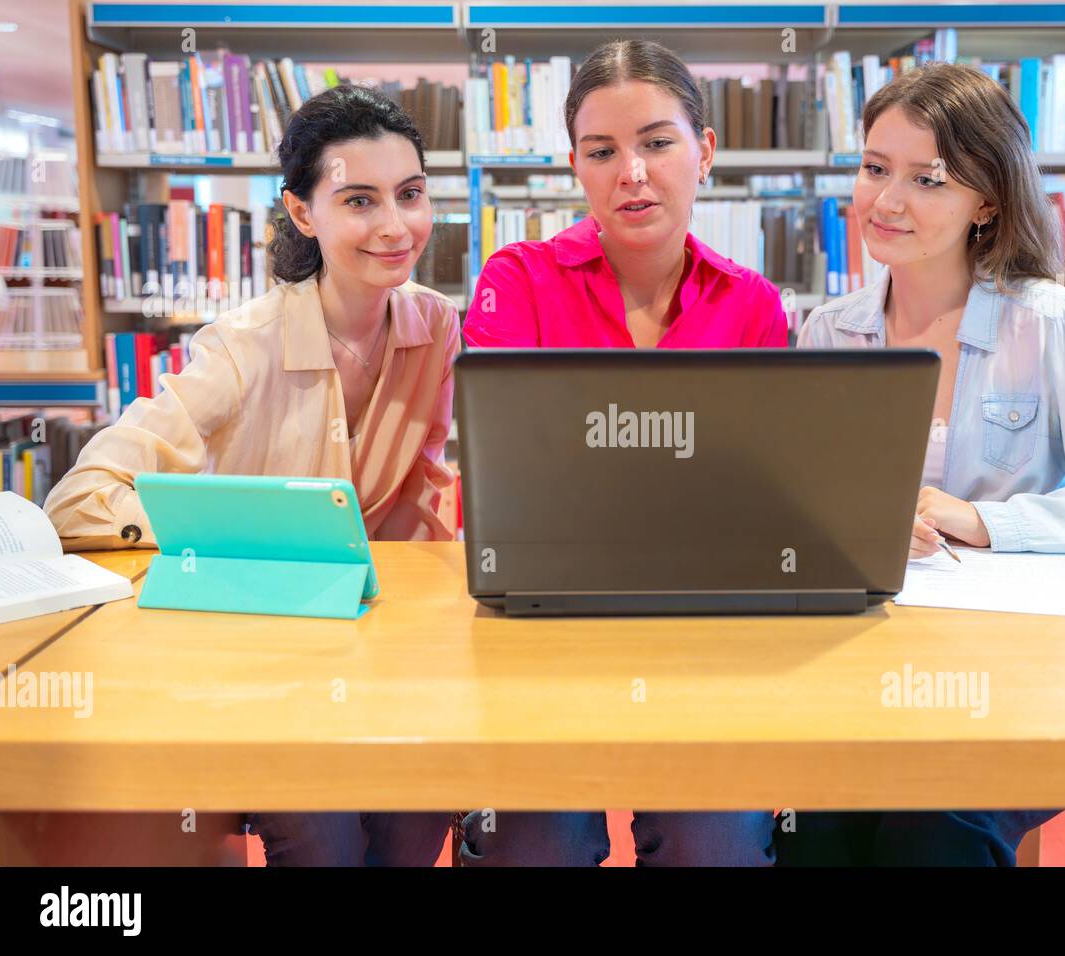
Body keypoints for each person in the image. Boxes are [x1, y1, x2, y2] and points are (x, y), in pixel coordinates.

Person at [776, 62, 1065, 866]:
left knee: (935, 832)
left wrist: (985, 521)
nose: (887, 200)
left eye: (927, 179)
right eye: (875, 169)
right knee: (816, 827)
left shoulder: (1051, 324)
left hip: (1023, 675)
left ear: (987, 200)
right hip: (871, 670)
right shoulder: (827, 332)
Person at [44, 83, 459, 865]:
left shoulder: (436, 325)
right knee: (325, 839)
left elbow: (425, 494)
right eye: (360, 200)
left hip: (388, 648)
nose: (395, 226)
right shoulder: (242, 347)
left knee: (420, 810)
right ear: (305, 214)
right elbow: (77, 500)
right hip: (267, 659)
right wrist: (231, 533)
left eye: (409, 195)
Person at [460, 39, 787, 866]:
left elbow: (765, 496)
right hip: (541, 623)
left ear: (704, 152)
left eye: (656, 142)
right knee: (532, 843)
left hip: (702, 627)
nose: (631, 173)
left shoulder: (751, 305)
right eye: (602, 152)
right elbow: (505, 477)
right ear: (576, 165)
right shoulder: (517, 278)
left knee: (720, 843)